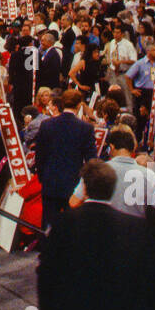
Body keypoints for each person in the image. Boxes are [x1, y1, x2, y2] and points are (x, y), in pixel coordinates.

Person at [37, 160, 155, 310]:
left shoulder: (63, 222)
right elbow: (149, 281)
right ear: (112, 188)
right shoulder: (136, 228)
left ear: (84, 188)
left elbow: (47, 269)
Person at [34, 89, 98, 233]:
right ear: (79, 105)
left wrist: (43, 177)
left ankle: (48, 252)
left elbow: (39, 156)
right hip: (73, 183)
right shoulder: (86, 128)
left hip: (50, 181)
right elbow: (91, 159)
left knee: (49, 223)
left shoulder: (47, 125)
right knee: (72, 225)